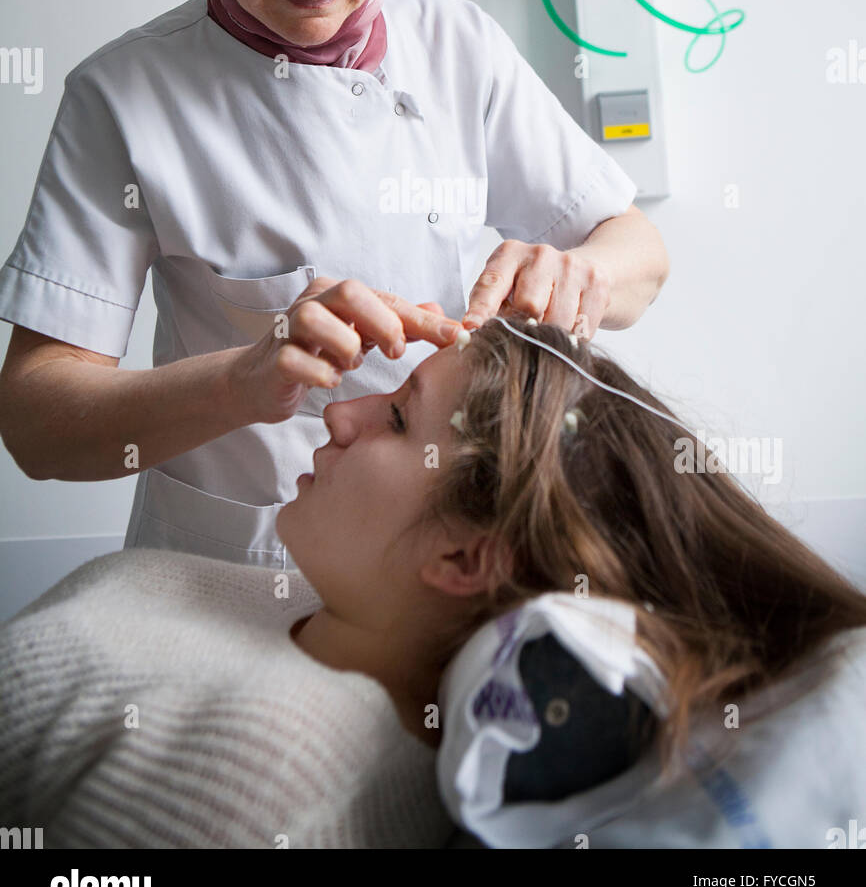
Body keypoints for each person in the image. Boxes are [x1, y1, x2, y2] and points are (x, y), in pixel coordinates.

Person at [0, 0, 668, 568]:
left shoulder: (459, 52)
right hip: (223, 566)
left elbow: (639, 252)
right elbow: (38, 426)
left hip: (433, 564)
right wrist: (241, 380)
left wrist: (579, 274)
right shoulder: (122, 98)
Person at [1, 307, 863, 849]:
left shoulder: (261, 786)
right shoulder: (267, 606)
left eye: (397, 415)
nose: (337, 412)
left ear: (462, 557)